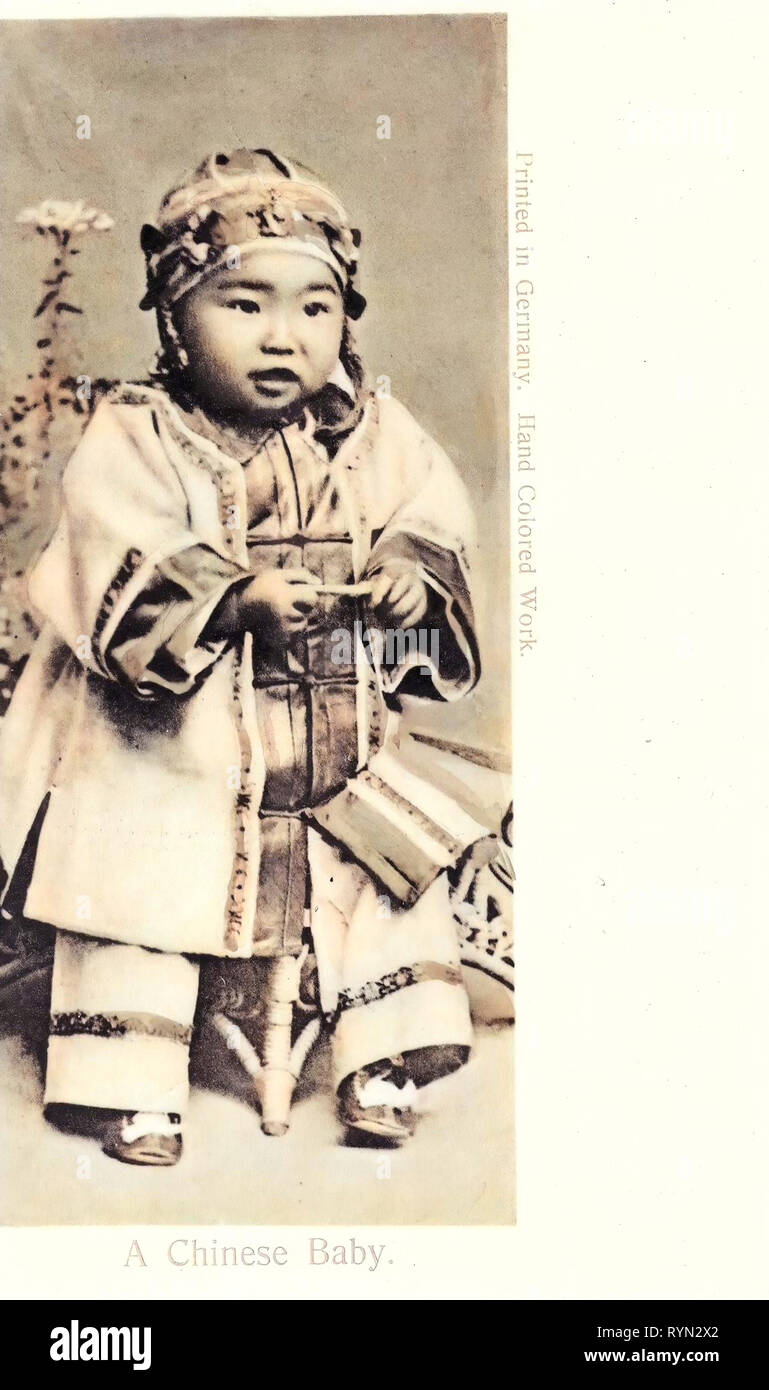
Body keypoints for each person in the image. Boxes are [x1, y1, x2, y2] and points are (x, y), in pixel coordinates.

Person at [0, 147, 482, 1165]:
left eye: (315, 308)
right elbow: (101, 547)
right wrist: (231, 594)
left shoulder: (371, 432)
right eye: (244, 303)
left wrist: (407, 567)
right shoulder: (139, 433)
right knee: (133, 860)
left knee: (381, 863)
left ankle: (377, 1052)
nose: (283, 335)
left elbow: (430, 513)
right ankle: (129, 1075)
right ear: (175, 318)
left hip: (332, 729)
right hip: (174, 745)